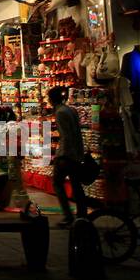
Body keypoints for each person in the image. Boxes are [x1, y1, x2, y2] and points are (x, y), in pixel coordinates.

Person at [49, 86, 91, 228]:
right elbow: (77, 134)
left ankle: (68, 216)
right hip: (76, 154)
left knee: (57, 183)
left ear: (51, 100)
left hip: (66, 155)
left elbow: (66, 136)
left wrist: (60, 154)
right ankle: (82, 215)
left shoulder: (60, 113)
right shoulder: (71, 110)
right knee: (76, 185)